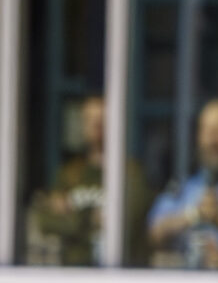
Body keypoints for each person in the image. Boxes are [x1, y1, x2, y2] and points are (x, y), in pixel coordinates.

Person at [27, 95, 151, 268]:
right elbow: (45, 220)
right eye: (90, 120)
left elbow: (127, 223)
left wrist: (73, 213)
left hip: (120, 271)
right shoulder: (70, 173)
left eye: (102, 121)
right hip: (75, 269)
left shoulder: (131, 173)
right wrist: (89, 219)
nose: (96, 126)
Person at [147, 98, 218, 269]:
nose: (213, 140)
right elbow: (153, 232)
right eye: (208, 131)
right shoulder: (184, 187)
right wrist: (194, 215)